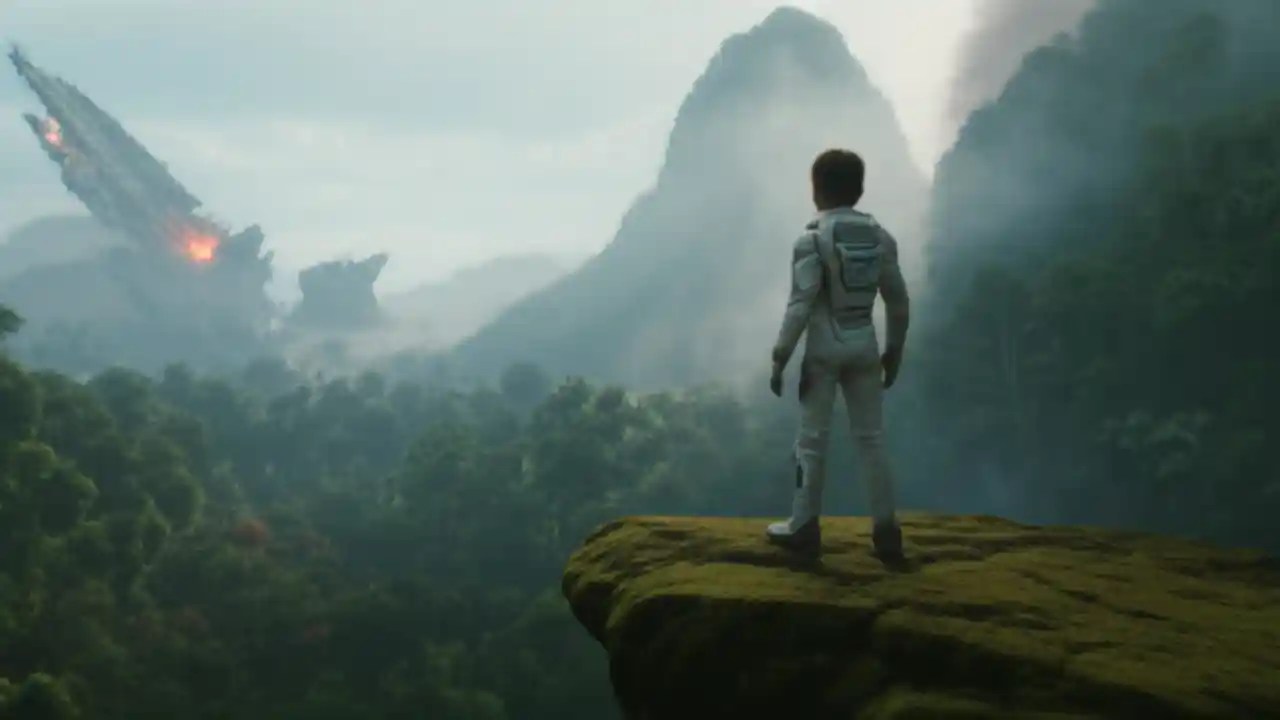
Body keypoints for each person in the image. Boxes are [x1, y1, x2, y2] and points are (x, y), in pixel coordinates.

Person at [766, 148, 910, 561]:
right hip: (865, 341)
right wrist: (894, 350)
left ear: (817, 189)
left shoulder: (810, 239)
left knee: (812, 440)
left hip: (824, 349)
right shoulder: (880, 237)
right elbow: (898, 302)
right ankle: (886, 530)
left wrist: (780, 357)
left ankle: (804, 525)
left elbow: (801, 304)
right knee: (872, 440)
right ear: (859, 189)